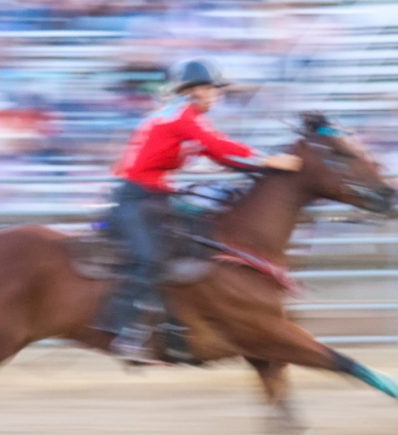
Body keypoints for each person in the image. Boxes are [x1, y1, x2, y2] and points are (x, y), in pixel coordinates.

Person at [101, 58, 302, 362]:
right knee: (149, 257)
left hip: (154, 194)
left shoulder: (183, 116)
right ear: (193, 91)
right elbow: (218, 146)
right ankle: (128, 332)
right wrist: (267, 160)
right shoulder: (183, 115)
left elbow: (217, 151)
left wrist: (259, 163)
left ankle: (178, 324)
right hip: (136, 197)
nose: (216, 95)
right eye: (211, 89)